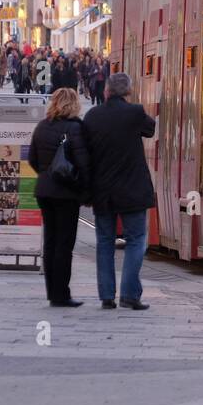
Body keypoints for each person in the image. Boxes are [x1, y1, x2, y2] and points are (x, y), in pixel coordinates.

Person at [83, 72, 156, 310]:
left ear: (106, 91)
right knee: (136, 240)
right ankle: (129, 295)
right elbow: (150, 129)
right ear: (128, 91)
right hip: (132, 190)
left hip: (102, 190)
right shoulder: (134, 112)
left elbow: (85, 150)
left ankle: (106, 296)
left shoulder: (93, 115)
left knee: (104, 242)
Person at [29, 88, 91, 307]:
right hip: (66, 193)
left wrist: (46, 174)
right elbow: (83, 164)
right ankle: (61, 294)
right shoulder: (75, 128)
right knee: (64, 245)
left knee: (51, 242)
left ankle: (52, 292)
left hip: (44, 191)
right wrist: (84, 189)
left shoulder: (42, 126)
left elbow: (32, 159)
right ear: (74, 104)